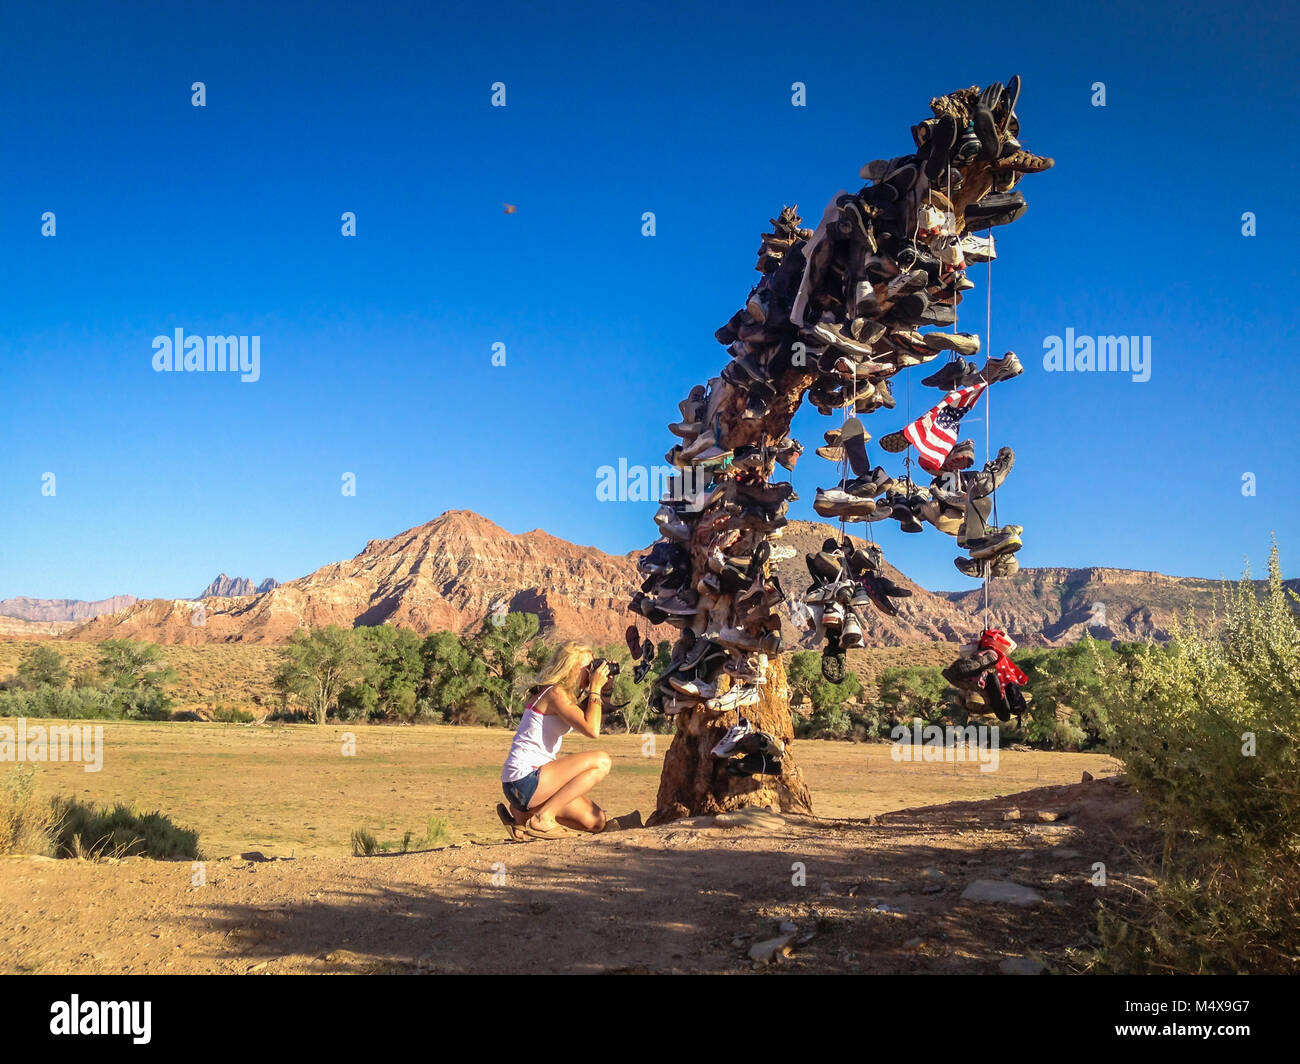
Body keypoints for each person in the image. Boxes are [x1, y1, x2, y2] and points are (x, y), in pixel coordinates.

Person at [497, 640, 619, 840]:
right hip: (526, 779)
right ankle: (544, 817)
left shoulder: (560, 696)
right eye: (587, 668)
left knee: (596, 821)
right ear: (570, 668)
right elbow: (592, 730)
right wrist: (595, 687)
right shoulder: (555, 693)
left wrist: (605, 691)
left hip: (522, 785)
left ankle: (522, 816)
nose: (591, 673)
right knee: (602, 761)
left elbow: (594, 718)